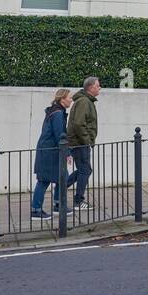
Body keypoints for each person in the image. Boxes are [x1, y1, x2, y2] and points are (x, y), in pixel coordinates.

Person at [31, 89, 72, 219]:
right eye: (69, 97)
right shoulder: (58, 114)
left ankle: (58, 205)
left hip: (49, 150)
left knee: (62, 176)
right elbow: (60, 135)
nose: (71, 100)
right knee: (44, 180)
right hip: (49, 151)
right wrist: (67, 153)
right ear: (62, 99)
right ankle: (36, 210)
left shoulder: (55, 111)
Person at [65, 76, 100, 212]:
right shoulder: (84, 102)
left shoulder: (85, 101)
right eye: (98, 85)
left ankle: (61, 188)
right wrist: (87, 141)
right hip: (79, 143)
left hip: (79, 143)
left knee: (84, 170)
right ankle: (78, 201)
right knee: (85, 170)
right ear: (90, 87)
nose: (99, 88)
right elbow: (79, 124)